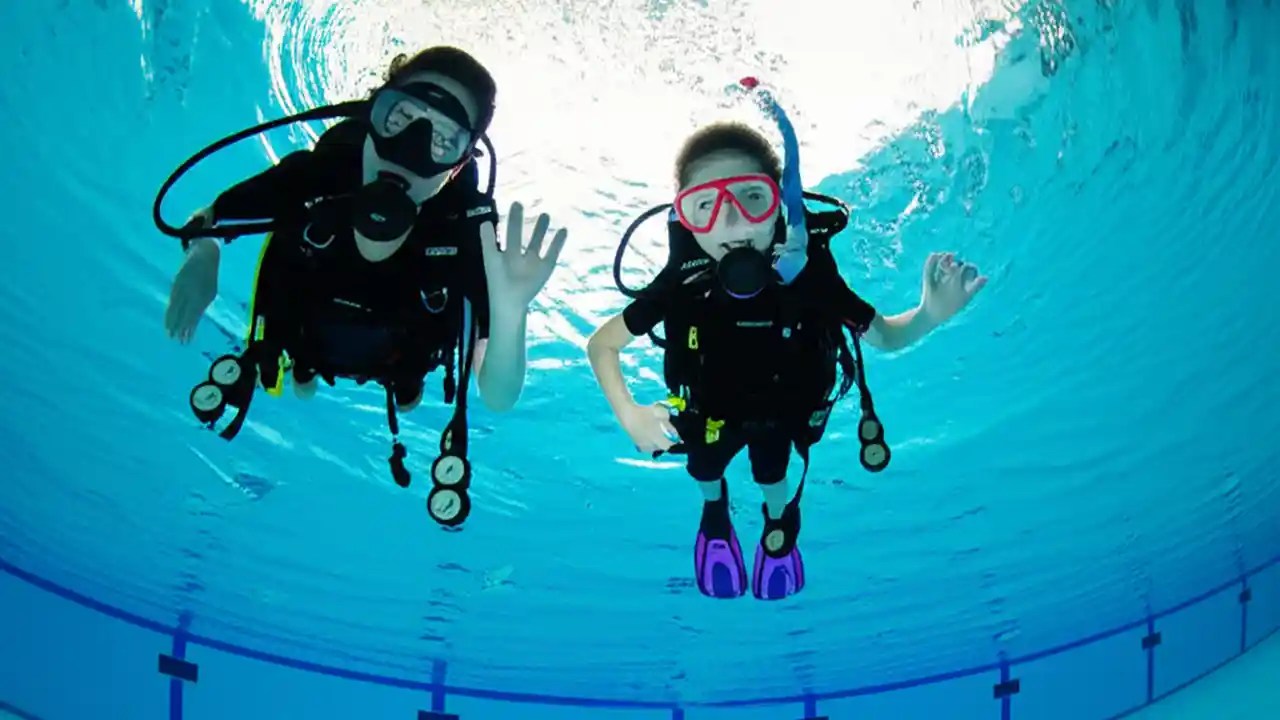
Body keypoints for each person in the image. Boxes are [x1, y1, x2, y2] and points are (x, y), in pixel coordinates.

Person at [587, 88, 986, 600]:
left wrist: (930, 314)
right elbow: (603, 345)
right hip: (707, 408)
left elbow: (884, 337)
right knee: (705, 466)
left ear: (779, 201)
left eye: (751, 197)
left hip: (785, 407)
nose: (730, 223)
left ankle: (777, 522)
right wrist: (630, 414)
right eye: (705, 207)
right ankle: (715, 515)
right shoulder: (682, 280)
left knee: (775, 471)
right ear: (684, 219)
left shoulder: (808, 272)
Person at [158, 46, 566, 527]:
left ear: (458, 165)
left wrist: (512, 311)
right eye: (402, 117)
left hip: (402, 352)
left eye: (441, 139)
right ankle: (309, 368)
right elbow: (210, 218)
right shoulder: (322, 173)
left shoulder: (464, 232)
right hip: (307, 333)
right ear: (374, 113)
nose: (411, 148)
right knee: (300, 380)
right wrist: (206, 254)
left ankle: (397, 383)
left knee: (404, 387)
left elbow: (497, 395)